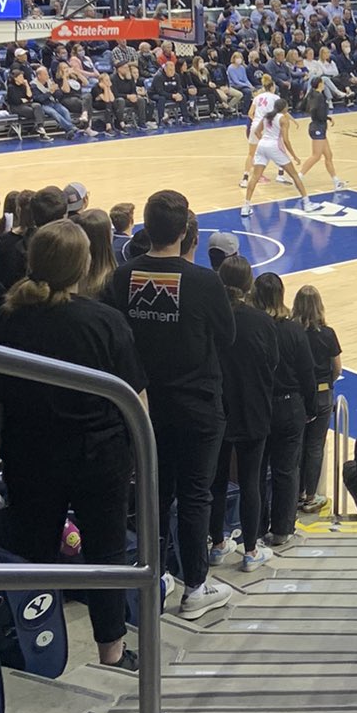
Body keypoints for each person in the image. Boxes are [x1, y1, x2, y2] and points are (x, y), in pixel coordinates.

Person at [0, 220, 145, 669]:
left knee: (34, 552)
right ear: (84, 265)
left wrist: (7, 440)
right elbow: (137, 400)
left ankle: (37, 649)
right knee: (107, 553)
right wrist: (137, 456)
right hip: (98, 455)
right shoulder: (105, 321)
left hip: (30, 451)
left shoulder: (8, 314)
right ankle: (112, 653)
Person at [107, 190, 234, 619]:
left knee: (153, 494)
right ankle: (194, 587)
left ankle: (155, 575)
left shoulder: (122, 277)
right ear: (185, 232)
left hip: (142, 407)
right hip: (197, 406)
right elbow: (227, 336)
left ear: (146, 226)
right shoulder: (204, 282)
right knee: (195, 495)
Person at [211, 257, 280, 573]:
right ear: (248, 284)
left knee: (216, 480)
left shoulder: (211, 316)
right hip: (253, 408)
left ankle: (216, 544)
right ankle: (251, 550)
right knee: (252, 482)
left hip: (217, 408)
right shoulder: (262, 321)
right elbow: (273, 362)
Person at [254, 274, 316, 553]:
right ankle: (282, 529)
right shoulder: (293, 331)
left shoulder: (252, 325)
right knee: (286, 470)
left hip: (259, 405)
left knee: (256, 470)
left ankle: (254, 528)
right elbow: (307, 373)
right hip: (290, 405)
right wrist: (311, 408)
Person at [292, 284, 342, 513]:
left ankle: (294, 494)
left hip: (298, 394)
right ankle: (310, 496)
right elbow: (337, 369)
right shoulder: (328, 333)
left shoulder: (291, 330)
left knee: (296, 445)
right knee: (315, 446)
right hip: (322, 394)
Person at [242, 80, 309, 214]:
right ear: (284, 108)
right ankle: (307, 203)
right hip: (273, 147)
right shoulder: (283, 119)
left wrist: (264, 140)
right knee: (295, 175)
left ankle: (246, 206)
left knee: (254, 177)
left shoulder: (267, 116)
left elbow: (256, 131)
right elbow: (286, 140)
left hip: (262, 145)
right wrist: (294, 156)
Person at [298, 77, 347, 196]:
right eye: (323, 83)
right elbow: (315, 110)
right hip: (317, 128)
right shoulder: (318, 96)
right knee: (316, 156)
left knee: (328, 155)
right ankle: (298, 177)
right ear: (320, 84)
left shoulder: (311, 93)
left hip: (319, 127)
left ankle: (336, 181)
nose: (324, 85)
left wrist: (326, 117)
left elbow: (301, 107)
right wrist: (322, 117)